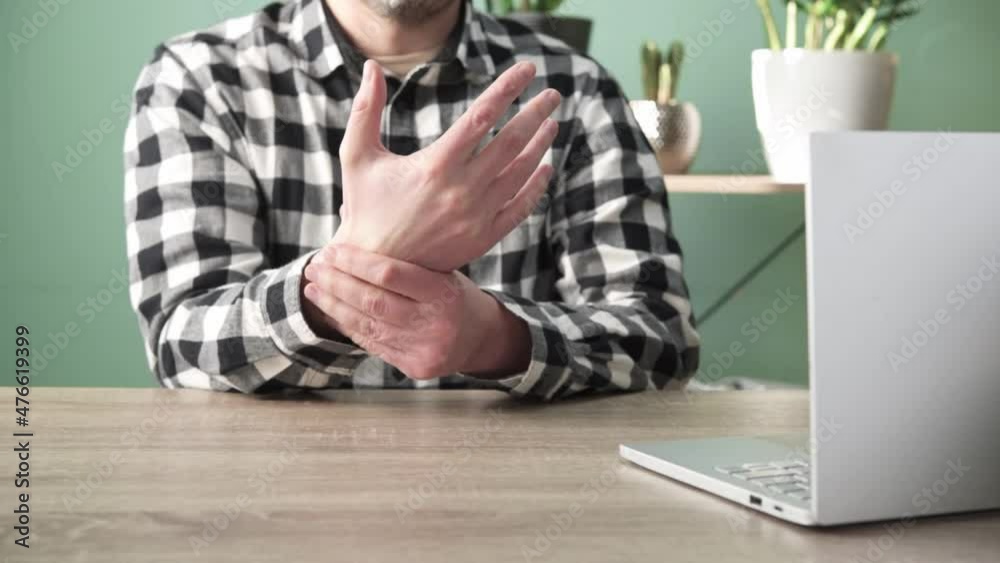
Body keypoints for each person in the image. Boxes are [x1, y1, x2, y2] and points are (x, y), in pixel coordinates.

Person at [124, 0, 700, 400]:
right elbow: (182, 345)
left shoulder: (572, 89)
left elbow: (660, 341)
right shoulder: (200, 79)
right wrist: (357, 266)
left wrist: (491, 337)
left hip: (518, 506)